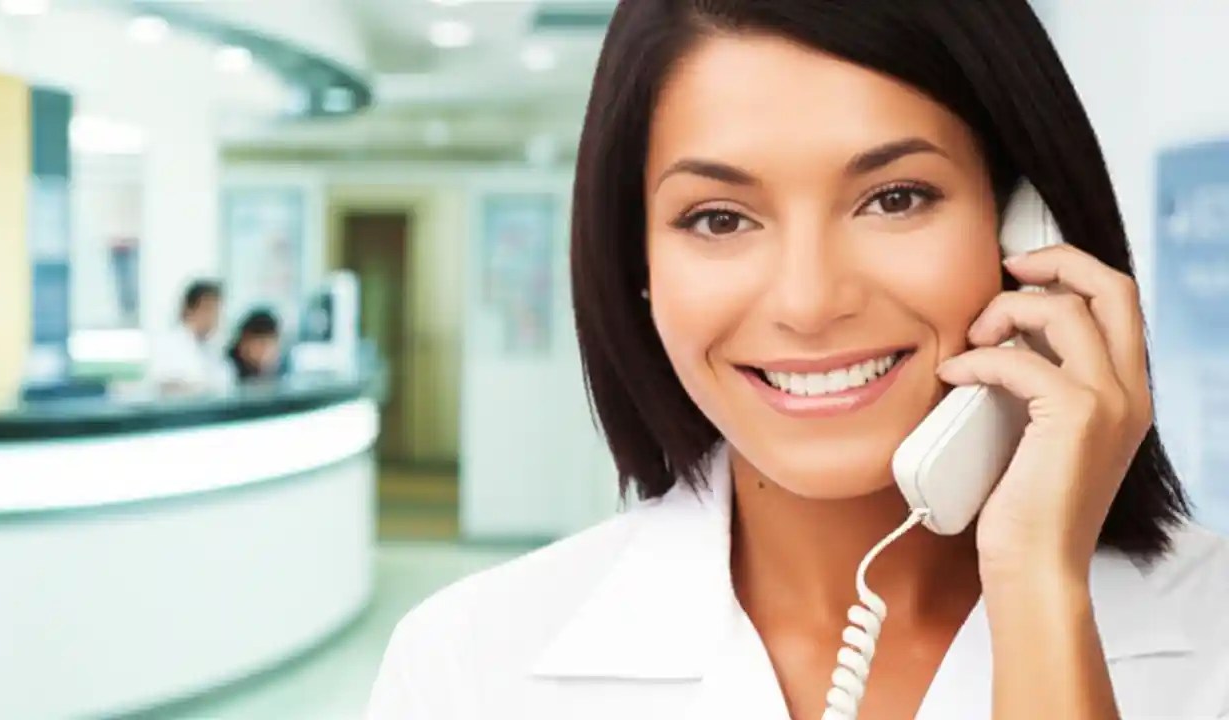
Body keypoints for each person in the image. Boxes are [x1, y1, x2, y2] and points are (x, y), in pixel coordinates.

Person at [368, 2, 1229, 719]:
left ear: (1028, 233)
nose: (809, 303)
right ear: (638, 264)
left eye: (895, 199)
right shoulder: (466, 667)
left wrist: (1041, 591)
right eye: (719, 218)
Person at [148, 279, 233, 395]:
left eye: (217, 311)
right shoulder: (168, 344)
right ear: (189, 310)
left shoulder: (213, 348)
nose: (214, 317)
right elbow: (164, 385)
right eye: (208, 309)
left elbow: (226, 382)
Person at [226, 308, 283, 383]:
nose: (266, 351)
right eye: (262, 344)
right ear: (243, 344)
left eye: (272, 345)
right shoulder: (227, 373)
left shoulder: (279, 374)